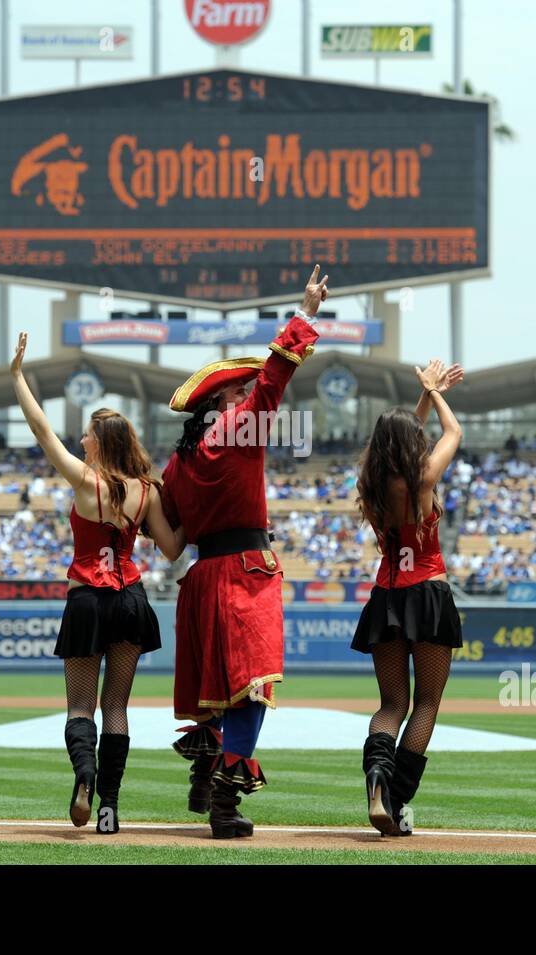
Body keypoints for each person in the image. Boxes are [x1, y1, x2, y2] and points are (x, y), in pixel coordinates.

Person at [162, 266, 326, 838]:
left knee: (217, 687)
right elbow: (278, 373)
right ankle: (224, 805)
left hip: (200, 577)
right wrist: (305, 314)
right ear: (225, 400)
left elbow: (169, 533)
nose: (250, 394)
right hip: (244, 573)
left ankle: (206, 773)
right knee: (253, 685)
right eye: (241, 389)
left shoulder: (178, 463)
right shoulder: (239, 427)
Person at [10, 332, 185, 833]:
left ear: (99, 442)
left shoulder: (85, 481)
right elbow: (172, 549)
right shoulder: (146, 491)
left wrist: (18, 377)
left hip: (87, 597)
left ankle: (83, 777)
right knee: (118, 707)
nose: (80, 439)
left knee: (79, 704)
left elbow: (42, 431)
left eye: (87, 435)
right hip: (130, 598)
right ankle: (109, 804)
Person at [354, 358, 464, 836]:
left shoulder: (371, 483)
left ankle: (376, 779)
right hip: (428, 592)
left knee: (391, 704)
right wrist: (436, 393)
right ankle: (395, 801)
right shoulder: (421, 480)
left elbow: (398, 438)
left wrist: (421, 396)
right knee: (427, 705)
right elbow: (453, 431)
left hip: (386, 596)